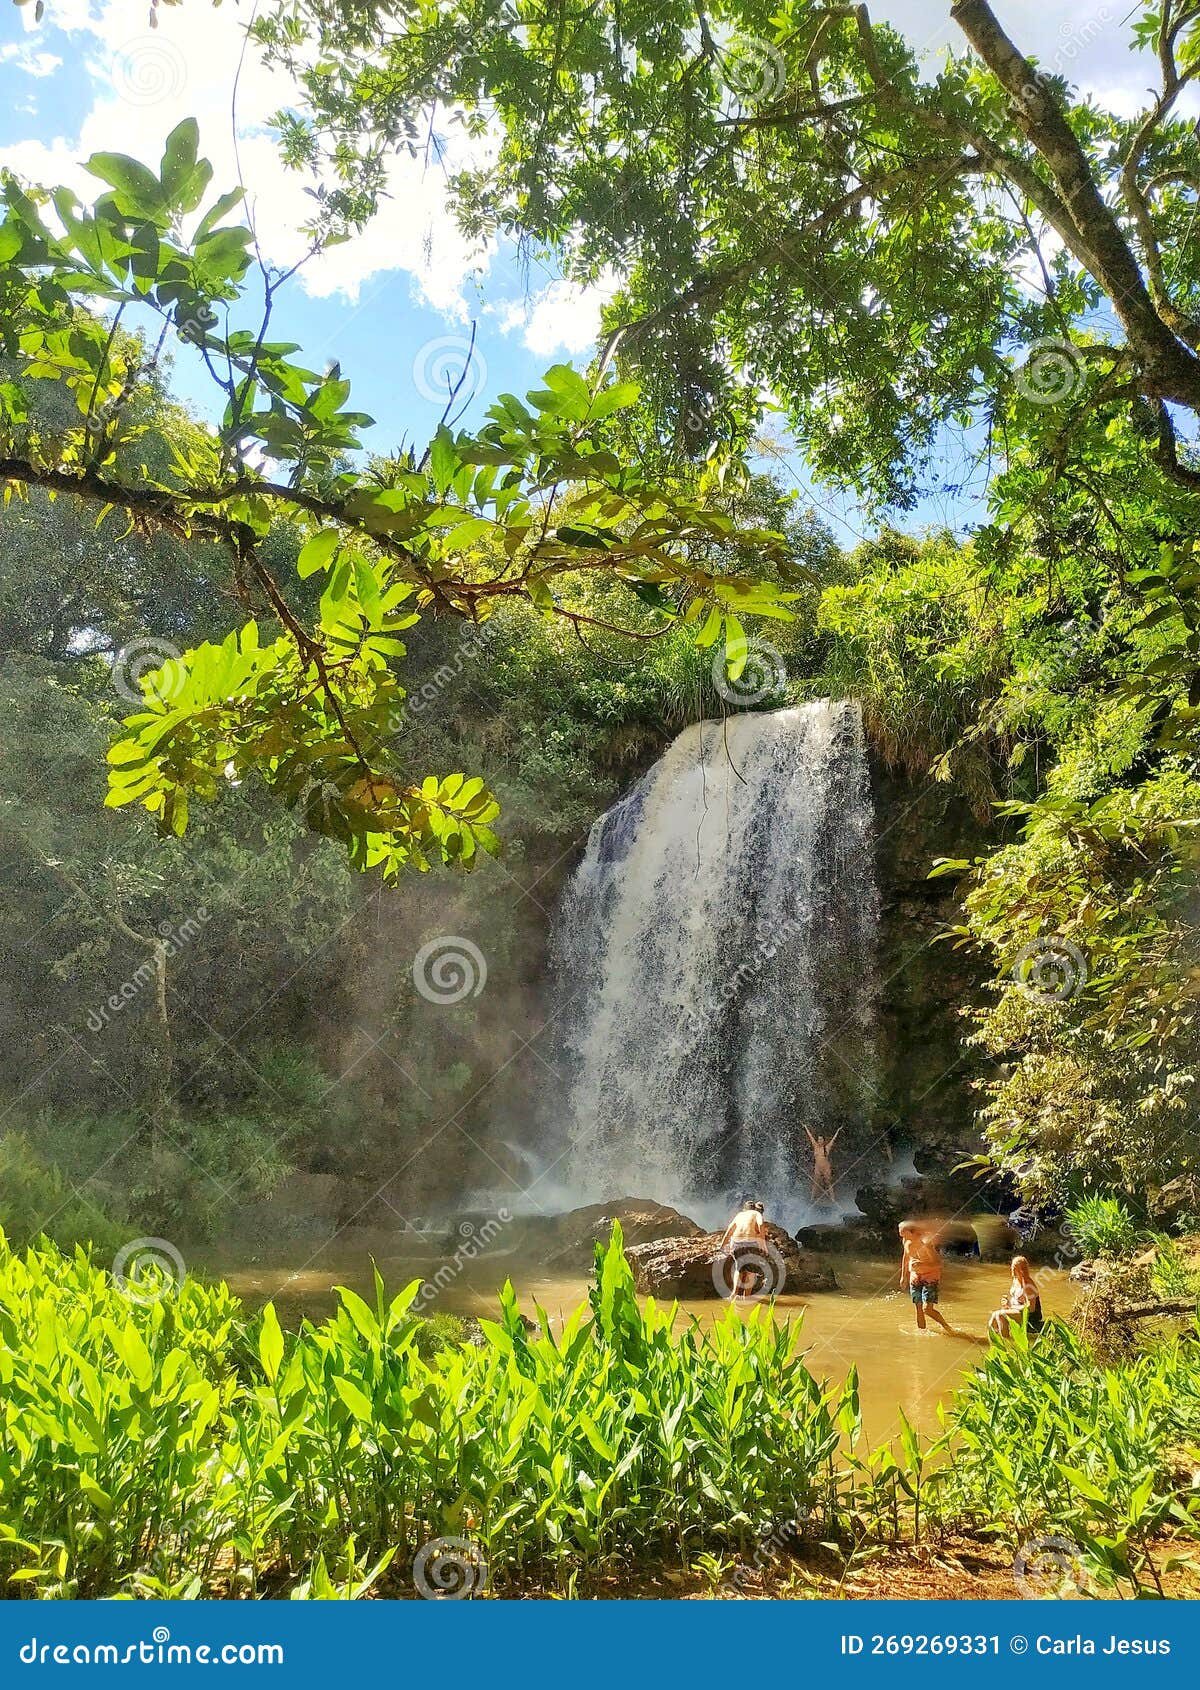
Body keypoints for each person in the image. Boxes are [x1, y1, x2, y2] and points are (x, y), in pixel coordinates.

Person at [898, 1220, 952, 1333]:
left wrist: (921, 1264)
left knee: (927, 1309)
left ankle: (948, 1329)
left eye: (903, 1231)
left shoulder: (925, 1243)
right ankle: (921, 1332)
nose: (900, 1233)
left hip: (930, 1275)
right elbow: (906, 1257)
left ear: (912, 1232)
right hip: (915, 1275)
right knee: (918, 1307)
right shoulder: (906, 1240)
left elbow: (938, 1264)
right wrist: (903, 1276)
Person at [718, 1198, 768, 1299]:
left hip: (736, 1243)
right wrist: (763, 1242)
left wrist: (723, 1244)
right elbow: (761, 1223)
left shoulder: (740, 1215)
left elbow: (730, 1229)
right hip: (750, 1242)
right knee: (751, 1272)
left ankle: (733, 1295)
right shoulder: (756, 1214)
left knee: (738, 1269)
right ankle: (747, 1296)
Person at [988, 1255, 1045, 1339]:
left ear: (1022, 1270)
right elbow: (1016, 1298)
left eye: (1016, 1268)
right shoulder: (1015, 1280)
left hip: (1030, 1316)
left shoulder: (1027, 1284)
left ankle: (1007, 1343)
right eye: (1012, 1267)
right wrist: (1007, 1303)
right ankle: (993, 1340)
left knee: (1001, 1315)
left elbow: (1031, 1308)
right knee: (994, 1315)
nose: (1013, 1270)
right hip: (1017, 1310)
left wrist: (1011, 1306)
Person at [805, 1126, 840, 1205]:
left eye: (821, 1139)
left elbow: (833, 1139)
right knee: (816, 1183)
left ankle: (833, 1200)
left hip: (826, 1167)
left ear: (824, 1140)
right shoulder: (815, 1146)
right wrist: (805, 1127)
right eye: (818, 1139)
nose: (819, 1140)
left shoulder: (827, 1147)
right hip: (818, 1167)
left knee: (828, 1183)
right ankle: (812, 1199)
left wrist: (838, 1130)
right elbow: (810, 1137)